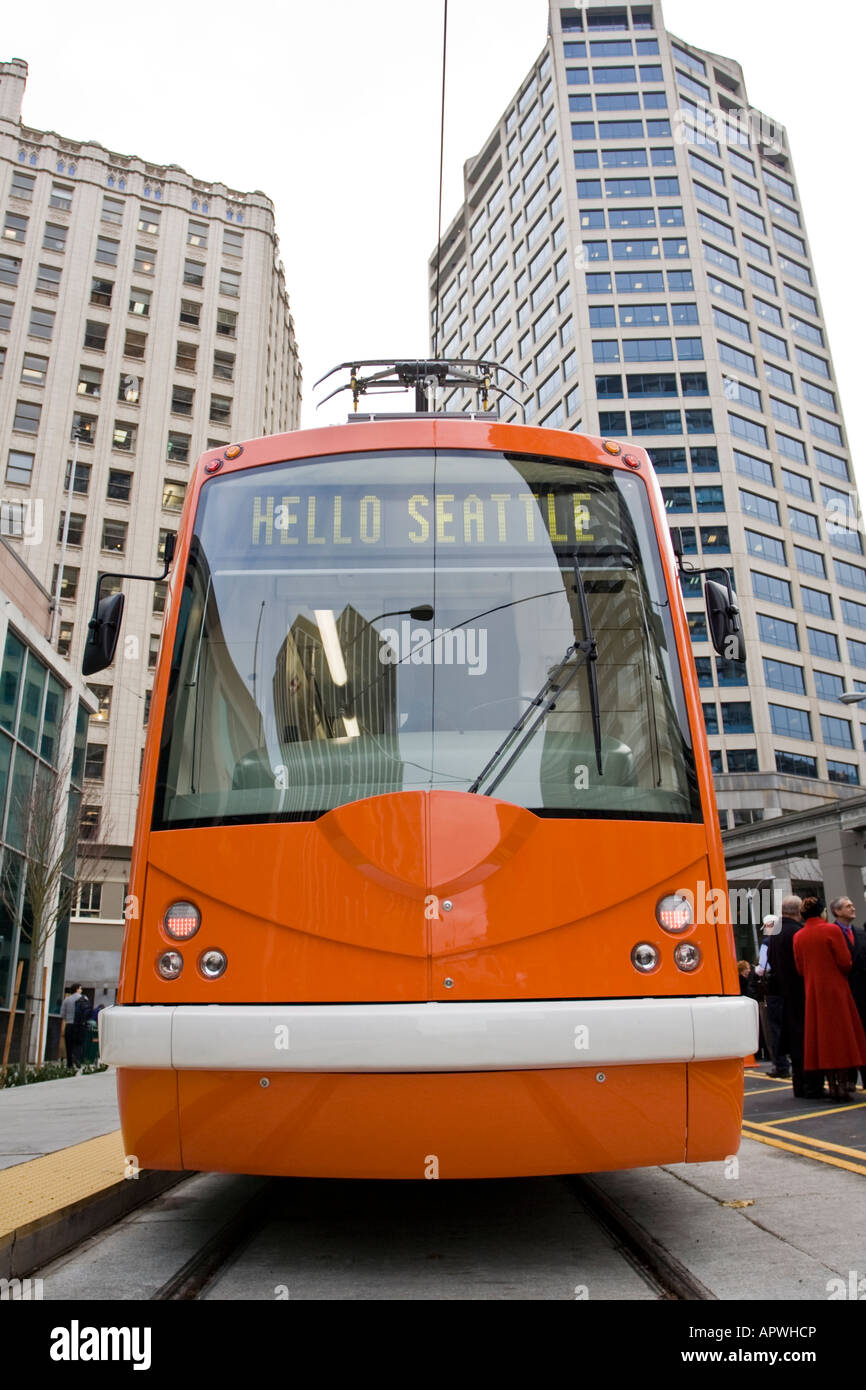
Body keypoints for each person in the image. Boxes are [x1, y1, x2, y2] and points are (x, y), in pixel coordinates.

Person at [793, 897, 866, 1102]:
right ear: (823, 912)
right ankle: (843, 1086)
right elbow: (845, 962)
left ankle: (832, 1086)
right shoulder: (831, 931)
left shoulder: (799, 936)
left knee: (822, 1039)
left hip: (813, 992)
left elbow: (799, 968)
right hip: (836, 990)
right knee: (842, 1038)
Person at [767, 894, 824, 1098]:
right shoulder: (797, 932)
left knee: (794, 1042)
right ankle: (812, 1085)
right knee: (806, 1041)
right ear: (798, 911)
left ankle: (800, 1085)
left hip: (783, 993)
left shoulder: (775, 932)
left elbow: (772, 960)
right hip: (800, 992)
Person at [830, 896, 866, 1090]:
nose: (853, 908)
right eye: (848, 906)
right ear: (837, 911)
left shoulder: (861, 933)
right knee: (849, 1037)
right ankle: (850, 1077)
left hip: (862, 992)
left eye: (852, 905)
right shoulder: (831, 933)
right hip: (844, 993)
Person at [60, 983, 87, 1070]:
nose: (81, 990)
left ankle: (69, 1063)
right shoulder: (84, 999)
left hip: (69, 1025)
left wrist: (68, 1019)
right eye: (80, 989)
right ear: (77, 989)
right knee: (79, 1043)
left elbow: (62, 1014)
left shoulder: (66, 1000)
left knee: (69, 1044)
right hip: (79, 1025)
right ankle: (76, 1057)